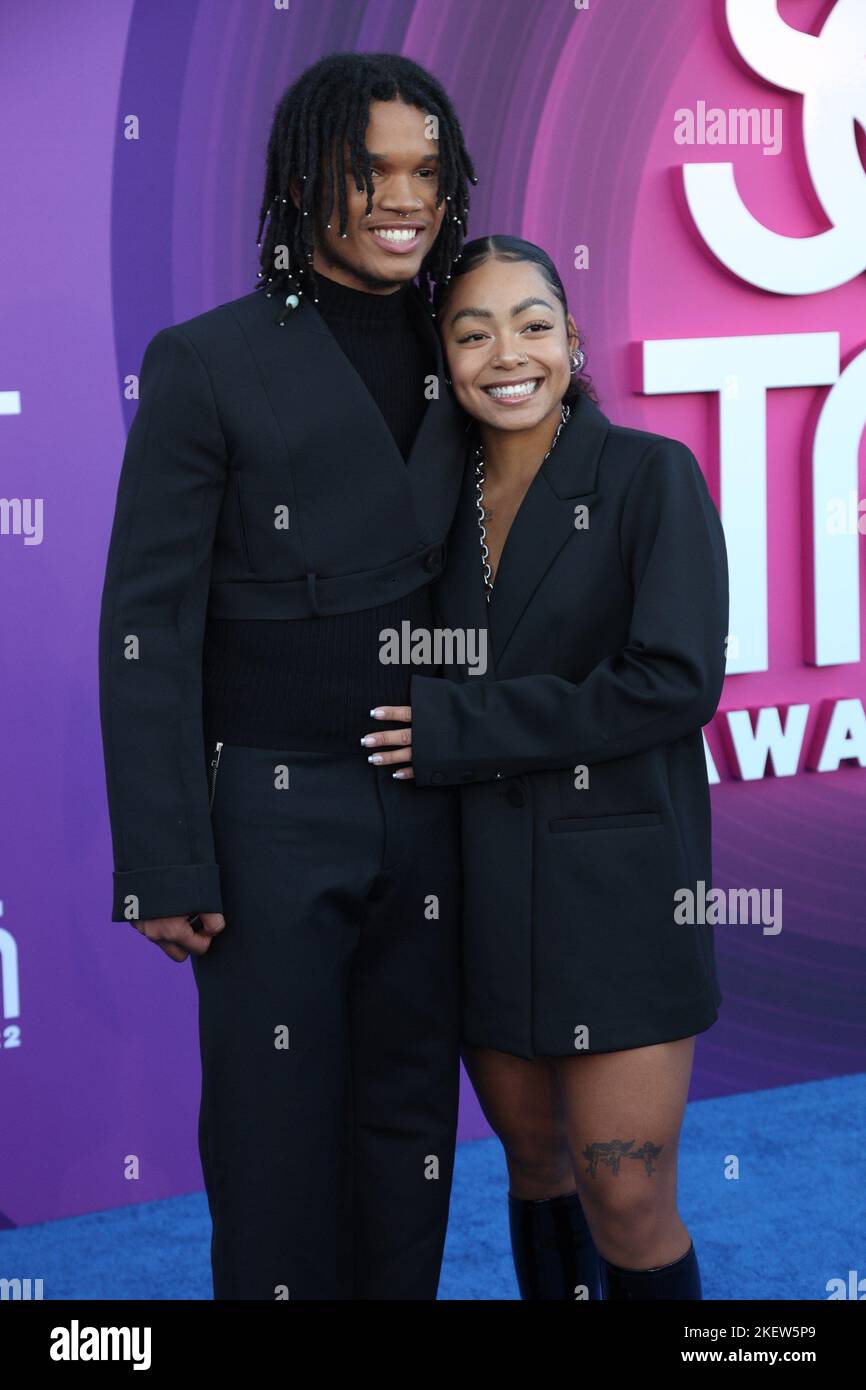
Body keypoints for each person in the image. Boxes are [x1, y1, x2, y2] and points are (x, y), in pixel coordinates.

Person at [97, 52, 478, 1300]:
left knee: (408, 1124)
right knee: (272, 1138)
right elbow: (145, 623)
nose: (400, 197)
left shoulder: (468, 338)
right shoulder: (205, 359)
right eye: (367, 171)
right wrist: (163, 856)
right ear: (302, 178)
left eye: (424, 170)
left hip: (431, 806)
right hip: (267, 811)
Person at [361, 235, 730, 1300]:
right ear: (443, 357)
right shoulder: (427, 505)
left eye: (530, 324)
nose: (505, 352)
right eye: (471, 331)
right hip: (478, 896)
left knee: (625, 1199)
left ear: (569, 340)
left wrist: (459, 729)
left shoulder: (647, 475)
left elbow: (671, 681)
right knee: (533, 1171)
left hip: (616, 901)